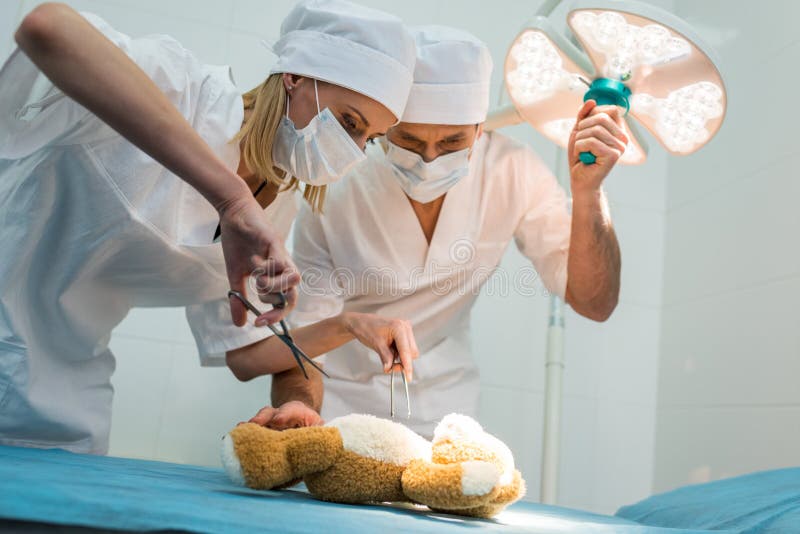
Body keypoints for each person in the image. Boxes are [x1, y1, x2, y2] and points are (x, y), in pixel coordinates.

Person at [0, 0, 419, 454]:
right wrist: (231, 200)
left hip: (68, 393)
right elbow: (47, 28)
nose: (353, 149)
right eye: (349, 122)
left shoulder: (274, 207)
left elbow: (245, 353)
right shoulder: (184, 91)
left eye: (369, 140)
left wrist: (349, 325)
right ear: (295, 77)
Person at [232, 26, 625, 436]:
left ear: (479, 130)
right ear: (384, 129)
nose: (430, 160)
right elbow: (306, 334)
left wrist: (588, 193)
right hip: (338, 404)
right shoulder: (337, 184)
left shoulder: (513, 172)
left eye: (452, 143)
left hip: (446, 406)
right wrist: (299, 405)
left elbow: (594, 302)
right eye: (410, 141)